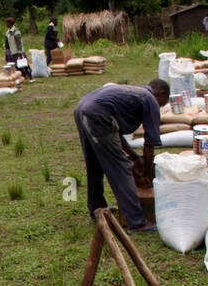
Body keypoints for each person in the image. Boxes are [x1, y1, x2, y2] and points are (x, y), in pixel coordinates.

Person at [73, 79, 171, 233]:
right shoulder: (149, 100)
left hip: (81, 109)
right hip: (96, 113)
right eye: (162, 104)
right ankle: (137, 222)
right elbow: (149, 144)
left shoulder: (132, 94)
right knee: (121, 168)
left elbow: (114, 131)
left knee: (95, 164)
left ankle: (97, 209)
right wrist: (146, 174)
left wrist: (134, 156)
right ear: (161, 93)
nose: (159, 108)